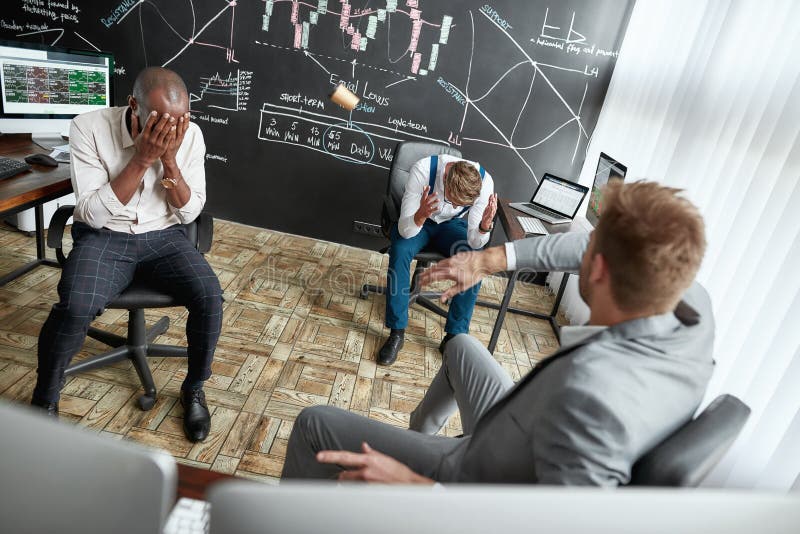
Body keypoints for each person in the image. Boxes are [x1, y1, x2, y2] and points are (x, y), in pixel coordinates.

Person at [282, 181, 715, 485]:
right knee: (460, 347)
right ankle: (415, 447)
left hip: (474, 478)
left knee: (314, 425)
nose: (581, 250)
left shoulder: (594, 400)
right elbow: (576, 248)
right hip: (520, 430)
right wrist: (485, 261)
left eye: (591, 246)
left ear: (598, 269)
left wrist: (418, 489)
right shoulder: (692, 305)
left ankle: (415, 472)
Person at [30, 67, 223, 443]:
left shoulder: (191, 135)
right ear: (133, 105)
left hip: (165, 236)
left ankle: (194, 389)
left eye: (179, 121)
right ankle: (45, 398)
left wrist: (169, 160)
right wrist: (141, 160)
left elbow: (188, 213)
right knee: (75, 306)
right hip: (105, 236)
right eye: (160, 122)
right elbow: (92, 214)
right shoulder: (88, 128)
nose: (171, 130)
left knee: (210, 296)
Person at [378, 154, 497, 365]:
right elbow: (405, 231)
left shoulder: (485, 183)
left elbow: (474, 240)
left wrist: (483, 227)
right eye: (453, 202)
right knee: (400, 250)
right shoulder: (423, 170)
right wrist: (421, 215)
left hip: (451, 226)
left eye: (462, 205)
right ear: (445, 181)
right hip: (417, 220)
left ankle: (454, 336)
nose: (456, 207)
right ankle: (397, 332)